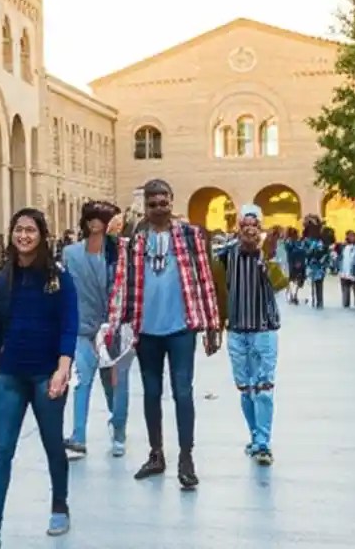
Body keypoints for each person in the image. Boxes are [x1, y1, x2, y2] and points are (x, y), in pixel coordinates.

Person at [0, 208, 78, 549]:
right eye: (18, 230)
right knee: (0, 451)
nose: (24, 236)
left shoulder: (58, 278)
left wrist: (63, 368)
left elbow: (69, 324)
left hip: (47, 375)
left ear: (42, 235)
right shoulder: (3, 279)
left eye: (30, 230)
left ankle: (60, 504)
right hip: (11, 375)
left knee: (52, 444)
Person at [107, 178, 223, 489]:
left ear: (172, 202)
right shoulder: (134, 238)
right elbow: (121, 281)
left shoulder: (192, 235)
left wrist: (212, 324)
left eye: (164, 202)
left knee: (183, 392)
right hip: (146, 331)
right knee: (151, 393)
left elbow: (205, 280)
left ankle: (186, 458)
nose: (159, 208)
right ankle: (156, 454)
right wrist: (116, 325)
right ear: (145, 205)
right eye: (152, 203)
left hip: (182, 328)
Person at [62, 200, 131, 458]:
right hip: (82, 329)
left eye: (100, 219)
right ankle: (78, 436)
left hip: (113, 329)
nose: (96, 223)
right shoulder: (70, 254)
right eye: (91, 218)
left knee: (114, 384)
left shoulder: (120, 255)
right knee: (83, 381)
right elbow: (65, 291)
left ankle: (119, 431)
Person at [218, 212, 281, 465]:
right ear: (238, 228)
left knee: (264, 387)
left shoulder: (268, 253)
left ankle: (263, 442)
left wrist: (266, 258)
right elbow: (216, 283)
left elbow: (280, 281)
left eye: (254, 226)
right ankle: (255, 435)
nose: (250, 230)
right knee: (245, 389)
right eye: (245, 225)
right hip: (236, 328)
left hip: (263, 328)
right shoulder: (226, 254)